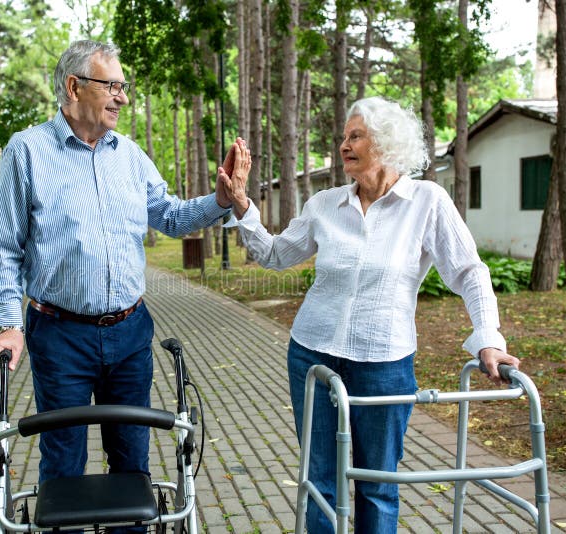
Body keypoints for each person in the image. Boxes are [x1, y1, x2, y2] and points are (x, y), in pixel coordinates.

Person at [217, 96, 520, 533]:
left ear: (386, 143)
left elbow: (470, 272)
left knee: (378, 483)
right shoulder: (325, 204)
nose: (343, 145)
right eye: (344, 136)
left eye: (355, 136)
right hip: (312, 355)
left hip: (384, 362)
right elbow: (277, 254)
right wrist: (243, 205)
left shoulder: (426, 202)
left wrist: (488, 336)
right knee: (320, 478)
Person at [0, 39, 234, 532]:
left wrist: (219, 200)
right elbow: (3, 248)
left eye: (124, 87)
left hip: (130, 330)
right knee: (64, 463)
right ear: (74, 87)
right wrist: (10, 324)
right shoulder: (27, 151)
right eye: (112, 86)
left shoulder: (131, 155)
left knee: (132, 457)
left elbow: (171, 215)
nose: (123, 97)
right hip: (60, 335)